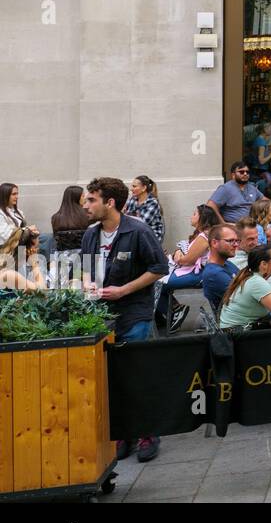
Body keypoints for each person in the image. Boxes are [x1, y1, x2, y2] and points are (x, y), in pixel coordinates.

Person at [81, 177, 168, 462]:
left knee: (137, 374)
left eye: (92, 199)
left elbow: (159, 268)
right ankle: (122, 434)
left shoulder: (138, 231)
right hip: (104, 317)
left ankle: (147, 434)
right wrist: (87, 285)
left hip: (135, 313)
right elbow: (85, 269)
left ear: (110, 203)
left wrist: (124, 290)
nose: (86, 204)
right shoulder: (91, 234)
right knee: (113, 378)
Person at [152, 204, 221, 328]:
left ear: (202, 218)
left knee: (156, 282)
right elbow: (185, 246)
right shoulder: (202, 234)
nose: (191, 216)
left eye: (194, 214)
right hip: (196, 270)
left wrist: (178, 257)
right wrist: (179, 251)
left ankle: (175, 309)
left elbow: (188, 260)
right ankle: (174, 310)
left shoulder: (204, 236)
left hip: (199, 273)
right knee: (156, 279)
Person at [219, 243, 271, 329]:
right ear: (264, 264)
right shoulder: (255, 282)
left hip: (242, 331)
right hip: (238, 337)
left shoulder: (252, 276)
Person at [199, 223, 239, 313]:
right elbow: (244, 298)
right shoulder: (214, 273)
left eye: (237, 241)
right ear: (214, 243)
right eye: (230, 241)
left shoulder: (227, 263)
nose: (236, 245)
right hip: (239, 324)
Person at [0, 182, 41, 260]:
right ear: (5, 195)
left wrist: (33, 234)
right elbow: (7, 235)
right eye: (14, 194)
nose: (17, 197)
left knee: (46, 238)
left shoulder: (18, 212)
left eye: (17, 194)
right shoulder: (1, 213)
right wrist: (28, 230)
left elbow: (24, 232)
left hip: (21, 246)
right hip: (7, 250)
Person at [122, 175, 166, 246]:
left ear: (144, 188)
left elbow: (141, 224)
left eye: (134, 186)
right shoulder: (133, 200)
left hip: (150, 237)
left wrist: (127, 217)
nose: (131, 189)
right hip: (135, 235)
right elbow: (124, 219)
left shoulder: (152, 203)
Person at [51, 184, 92, 253]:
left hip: (62, 257)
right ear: (76, 198)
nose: (84, 198)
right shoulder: (86, 215)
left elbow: (55, 240)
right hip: (84, 255)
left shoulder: (55, 218)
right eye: (82, 196)